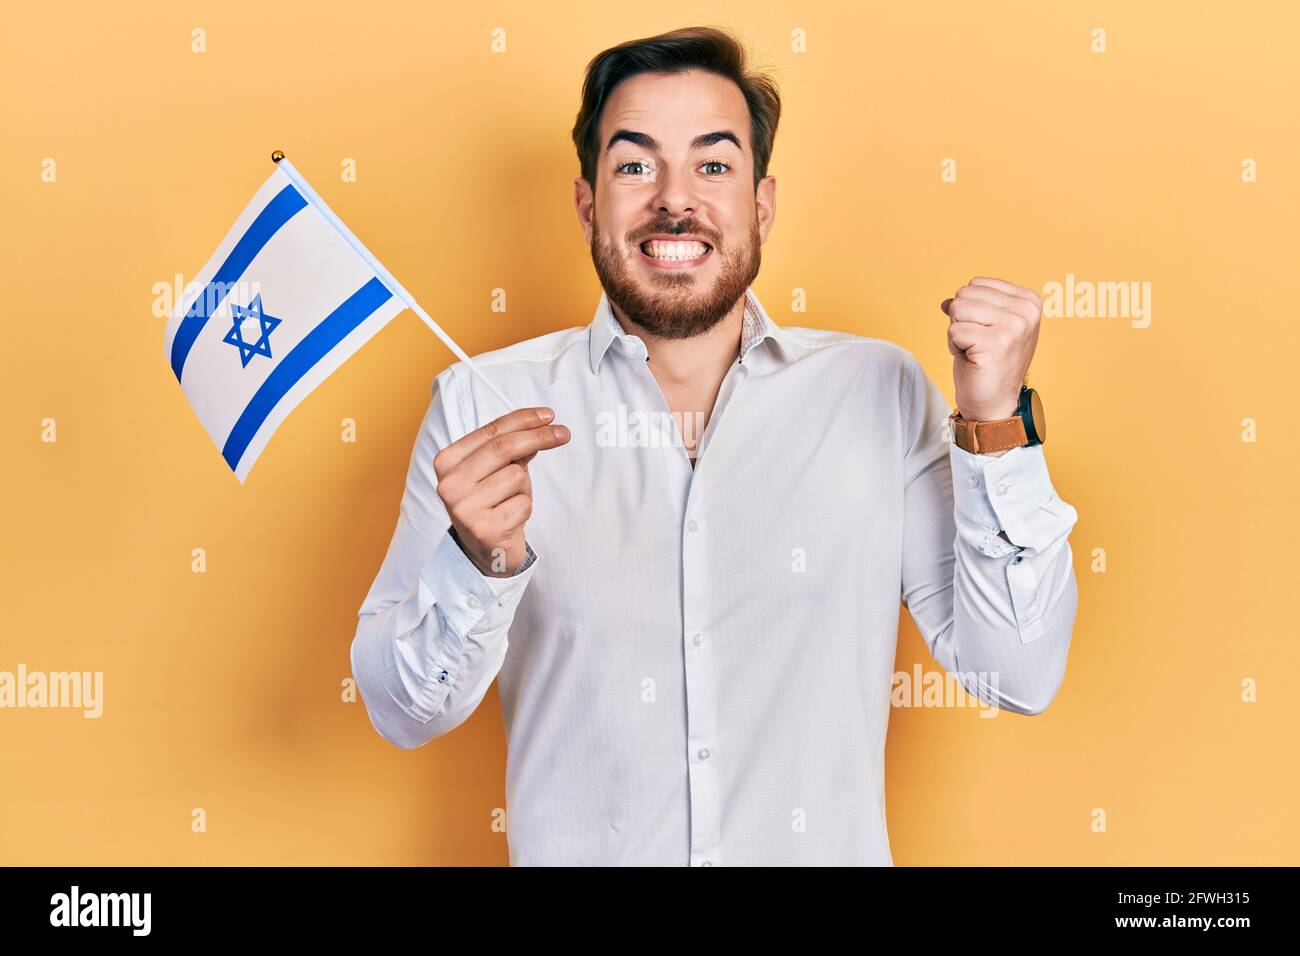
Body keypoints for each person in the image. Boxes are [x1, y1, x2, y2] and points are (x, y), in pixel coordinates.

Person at [350, 25, 1079, 866]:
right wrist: (476, 565)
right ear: (587, 202)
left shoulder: (878, 391)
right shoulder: (484, 403)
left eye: (713, 164)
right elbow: (403, 713)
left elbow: (1016, 675)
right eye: (634, 164)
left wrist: (995, 427)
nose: (674, 198)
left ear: (761, 205)